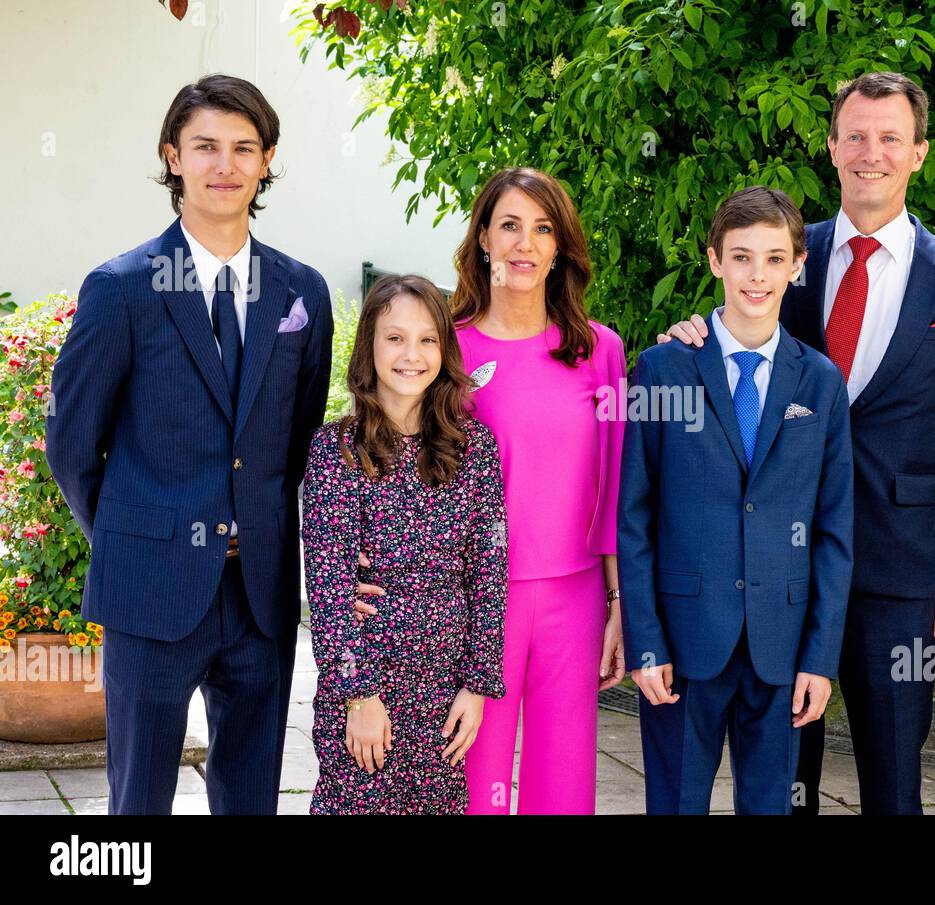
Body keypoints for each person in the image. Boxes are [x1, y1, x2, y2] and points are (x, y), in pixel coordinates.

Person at [662, 72, 935, 814]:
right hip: (774, 567)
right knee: (784, 776)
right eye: (855, 135)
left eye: (889, 138)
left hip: (896, 567)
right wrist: (690, 334)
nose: (869, 152)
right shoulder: (788, 252)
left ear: (918, 153)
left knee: (893, 778)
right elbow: (739, 333)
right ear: (831, 147)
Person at [46, 75, 333, 814]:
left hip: (260, 594)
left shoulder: (302, 292)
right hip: (150, 589)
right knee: (137, 801)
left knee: (251, 796)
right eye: (205, 146)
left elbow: (296, 439)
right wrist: (133, 535)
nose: (225, 164)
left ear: (268, 159)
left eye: (244, 147)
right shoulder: (121, 288)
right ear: (172, 156)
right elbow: (73, 446)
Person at [357, 167, 627, 814]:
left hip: (576, 595)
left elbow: (615, 482)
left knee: (561, 792)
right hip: (472, 600)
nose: (524, 243)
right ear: (483, 237)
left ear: (560, 245)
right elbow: (398, 458)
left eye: (542, 228)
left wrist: (621, 601)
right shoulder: (445, 346)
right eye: (509, 225)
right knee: (471, 783)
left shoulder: (602, 351)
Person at [620, 186, 854, 814]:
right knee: (675, 803)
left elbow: (834, 532)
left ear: (798, 266)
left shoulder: (821, 381)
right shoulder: (663, 370)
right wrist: (646, 639)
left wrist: (820, 658)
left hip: (782, 644)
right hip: (684, 639)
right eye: (742, 256)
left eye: (775, 259)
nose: (758, 275)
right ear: (715, 259)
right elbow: (634, 516)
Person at [303, 274, 507, 815]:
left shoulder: (474, 449)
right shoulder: (336, 449)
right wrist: (359, 693)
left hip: (445, 686)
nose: (411, 354)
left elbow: (489, 571)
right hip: (369, 679)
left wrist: (476, 685)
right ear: (369, 344)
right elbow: (327, 583)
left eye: (427, 339)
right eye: (395, 338)